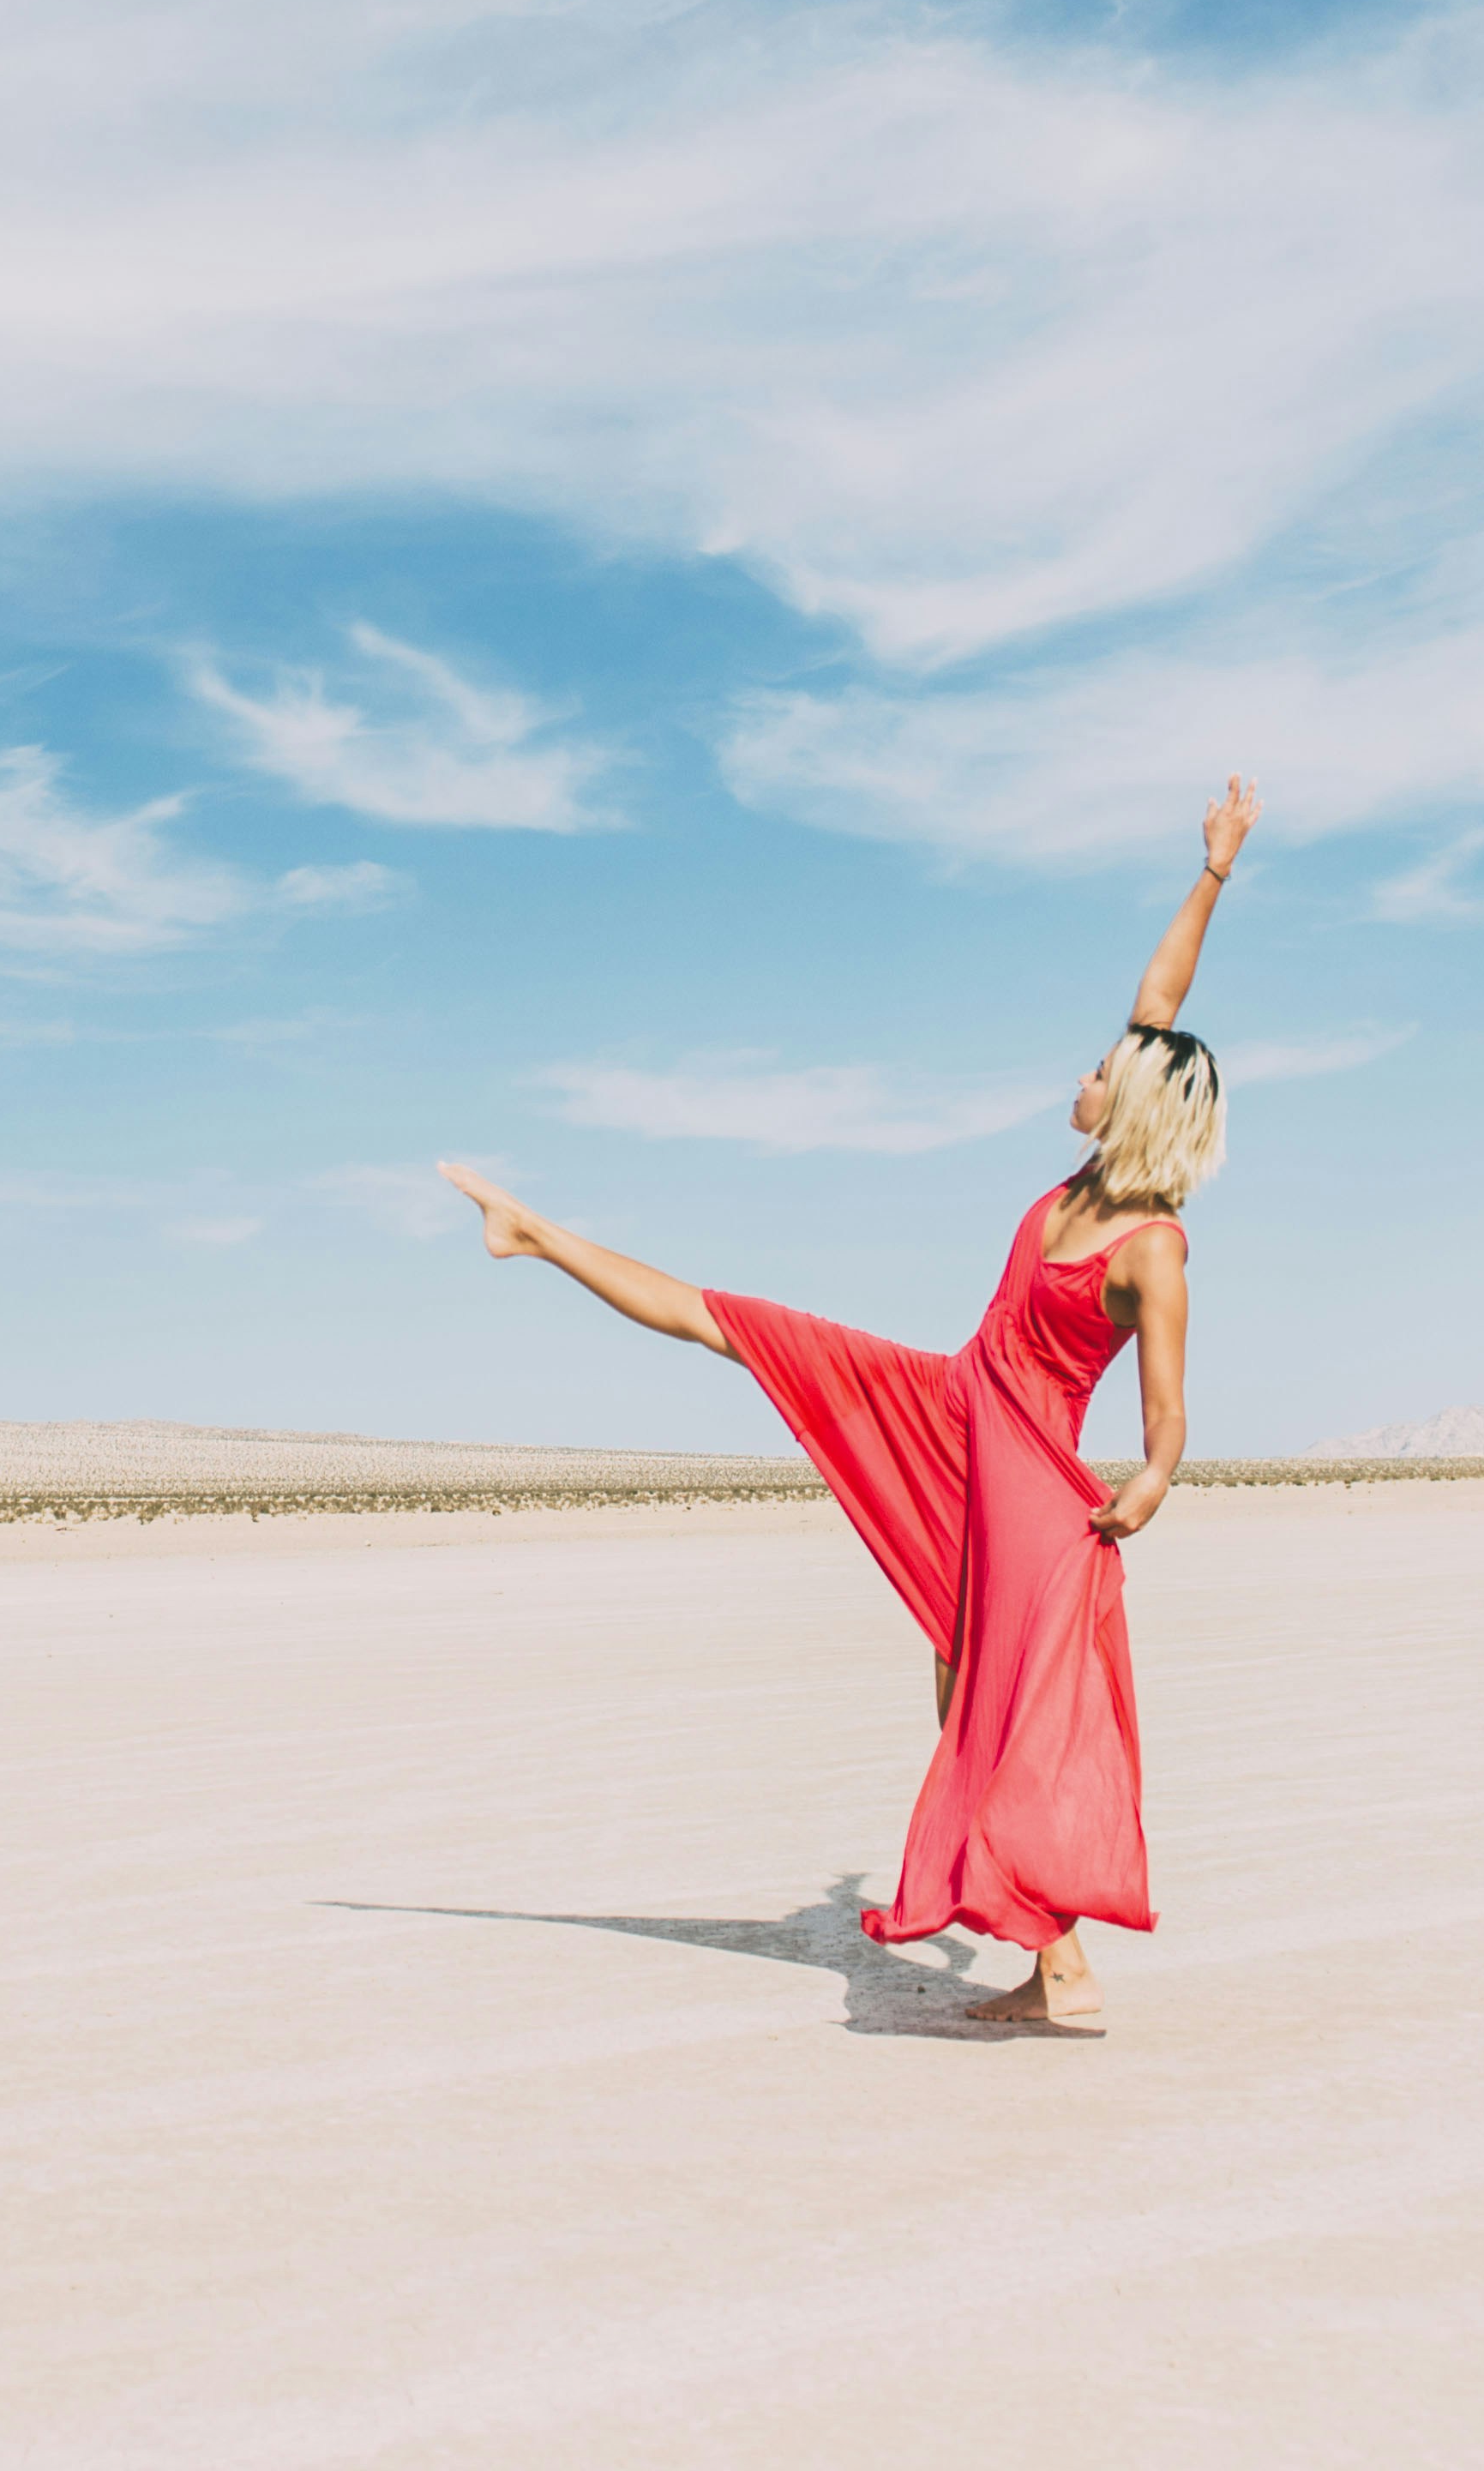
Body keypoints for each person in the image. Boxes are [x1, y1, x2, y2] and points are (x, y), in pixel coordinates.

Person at [440, 776, 1255, 2029]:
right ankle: (538, 1234)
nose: (1084, 1073)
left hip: (1035, 1482)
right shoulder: (1087, 1179)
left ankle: (1066, 1966)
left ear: (1131, 1103)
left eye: (1099, 1070)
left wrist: (1148, 1485)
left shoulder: (1153, 1245)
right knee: (756, 1334)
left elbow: (1170, 1418)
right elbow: (1161, 1001)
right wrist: (1213, 873)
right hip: (951, 1412)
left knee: (1005, 1706)